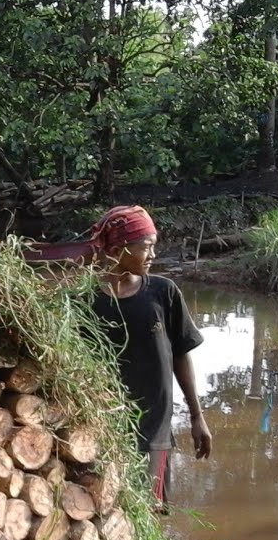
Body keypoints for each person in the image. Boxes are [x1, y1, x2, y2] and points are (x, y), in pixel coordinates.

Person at [87, 205, 210, 505]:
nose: (153, 255)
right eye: (146, 247)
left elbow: (181, 355)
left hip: (154, 429)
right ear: (116, 249)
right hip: (102, 426)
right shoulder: (84, 300)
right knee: (104, 507)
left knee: (149, 511)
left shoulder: (163, 293)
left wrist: (197, 416)